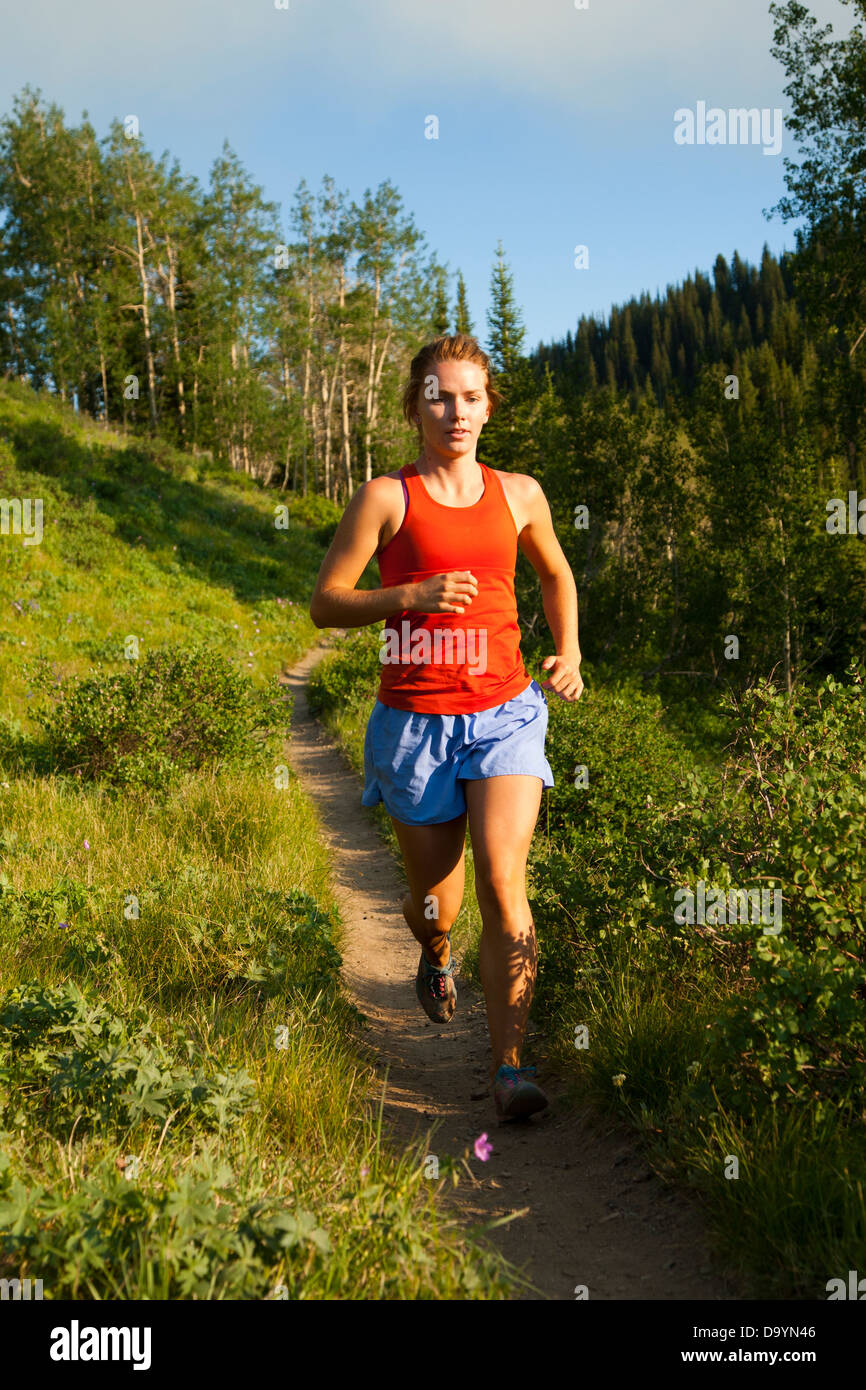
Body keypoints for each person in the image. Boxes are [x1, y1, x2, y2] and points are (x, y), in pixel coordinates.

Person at [310, 333, 583, 1120]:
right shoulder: (385, 497)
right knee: (439, 908)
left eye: (470, 397)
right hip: (415, 723)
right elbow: (327, 603)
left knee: (503, 882)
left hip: (505, 713)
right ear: (415, 408)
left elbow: (555, 572)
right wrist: (409, 596)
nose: (456, 411)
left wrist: (568, 651)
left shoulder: (520, 494)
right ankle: (434, 955)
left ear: (488, 407)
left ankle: (510, 1069)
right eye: (439, 397)